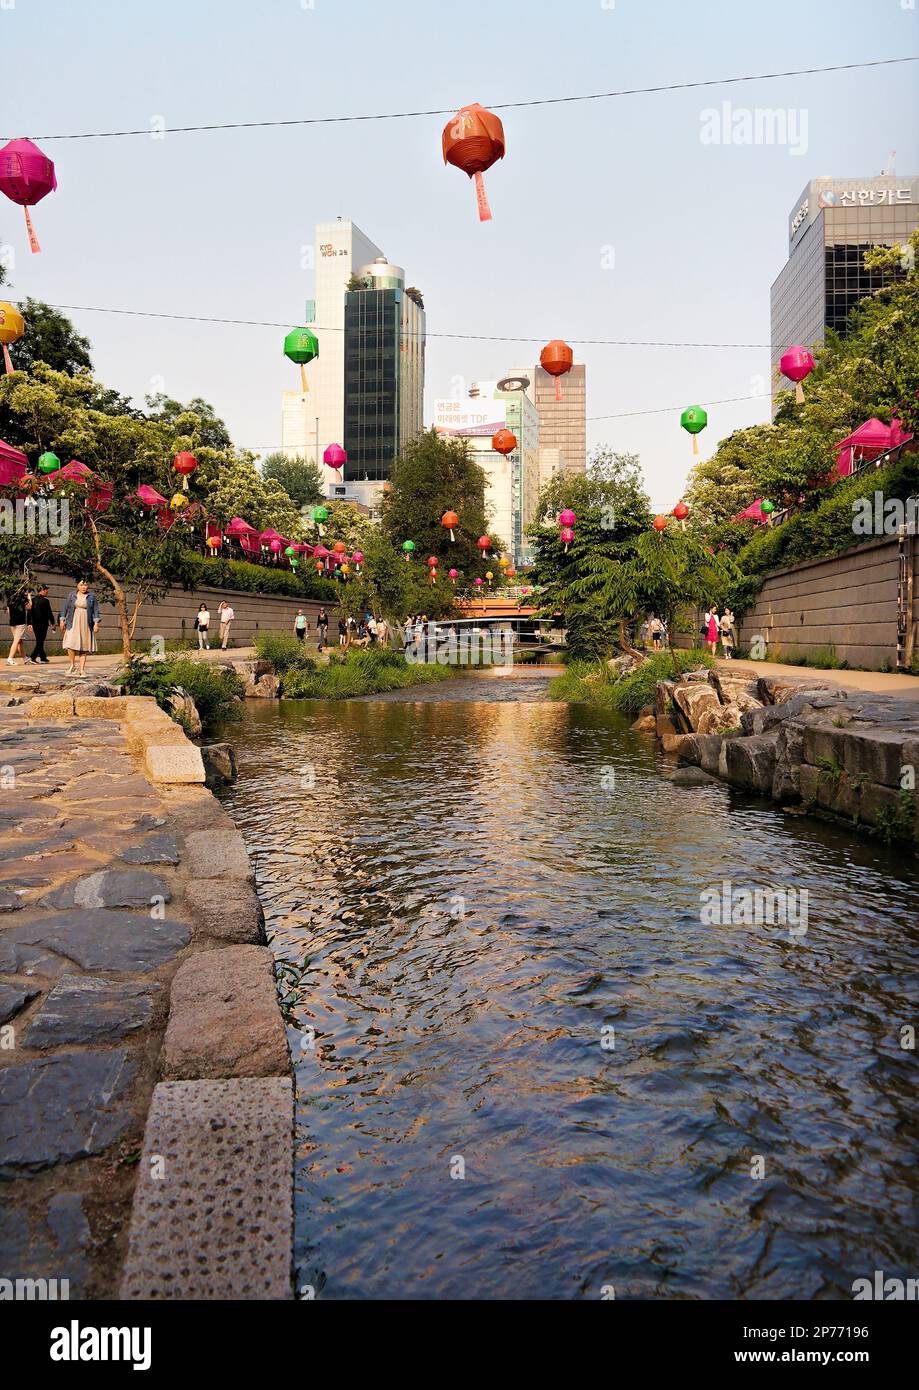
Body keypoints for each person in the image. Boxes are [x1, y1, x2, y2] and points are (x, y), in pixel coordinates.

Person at [61, 580, 100, 678]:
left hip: (86, 621)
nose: (84, 587)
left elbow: (96, 610)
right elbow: (65, 608)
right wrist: (62, 620)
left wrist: (96, 623)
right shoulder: (71, 595)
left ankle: (82, 669)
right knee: (70, 643)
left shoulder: (91, 597)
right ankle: (72, 665)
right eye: (81, 585)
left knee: (84, 646)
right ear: (77, 586)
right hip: (72, 621)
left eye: (86, 585)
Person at [29, 585, 54, 663]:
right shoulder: (45, 601)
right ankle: (32, 657)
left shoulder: (32, 600)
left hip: (35, 624)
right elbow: (49, 613)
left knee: (40, 640)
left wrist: (29, 623)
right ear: (43, 590)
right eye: (46, 590)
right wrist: (52, 623)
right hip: (43, 624)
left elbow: (30, 613)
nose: (47, 591)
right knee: (40, 641)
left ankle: (43, 658)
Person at [6, 590, 31, 665]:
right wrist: (29, 597)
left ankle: (25, 658)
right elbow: (30, 606)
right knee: (16, 641)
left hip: (12, 622)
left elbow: (8, 612)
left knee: (20, 642)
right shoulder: (23, 599)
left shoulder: (10, 599)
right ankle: (10, 659)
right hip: (20, 623)